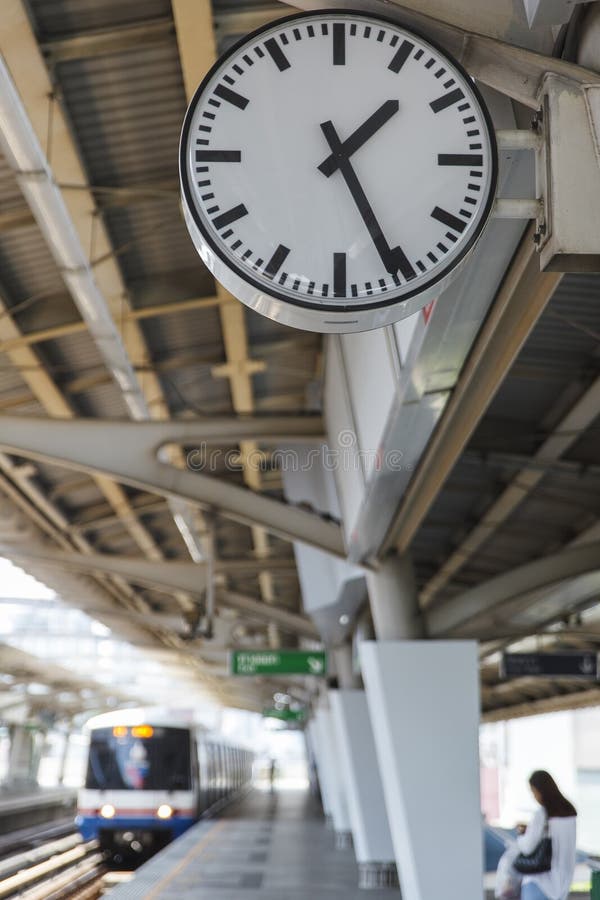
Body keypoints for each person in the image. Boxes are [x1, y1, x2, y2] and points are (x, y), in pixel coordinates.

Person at [495, 770, 577, 900]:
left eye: (534, 792)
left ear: (541, 790)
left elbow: (528, 846)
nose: (535, 797)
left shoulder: (543, 814)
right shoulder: (570, 813)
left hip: (540, 882)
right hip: (562, 883)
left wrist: (523, 835)